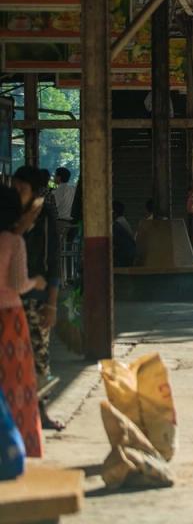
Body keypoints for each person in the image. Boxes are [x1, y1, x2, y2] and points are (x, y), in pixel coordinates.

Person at [12, 167, 61, 432]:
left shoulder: (44, 220)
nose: (17, 192)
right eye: (15, 188)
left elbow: (52, 264)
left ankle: (41, 412)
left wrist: (52, 303)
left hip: (37, 298)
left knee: (39, 356)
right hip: (10, 300)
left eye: (22, 188)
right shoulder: (11, 217)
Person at [0, 184, 46, 457]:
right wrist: (36, 282)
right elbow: (17, 283)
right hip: (9, 320)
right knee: (16, 382)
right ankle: (18, 446)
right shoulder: (13, 242)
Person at [113, 201, 137, 267]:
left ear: (114, 212)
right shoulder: (122, 221)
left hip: (125, 256)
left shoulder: (117, 224)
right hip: (129, 254)